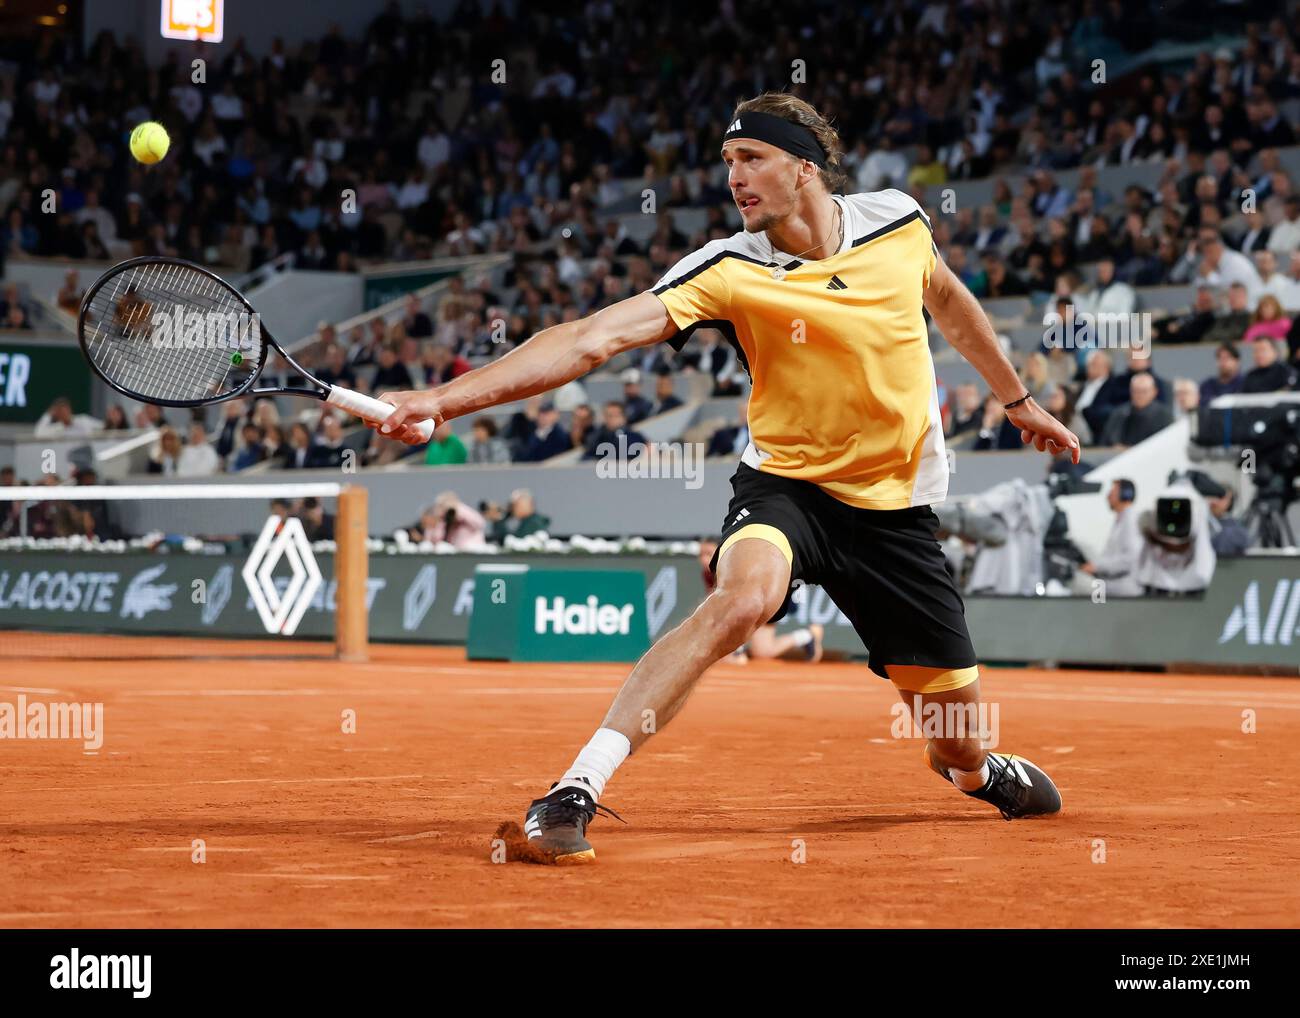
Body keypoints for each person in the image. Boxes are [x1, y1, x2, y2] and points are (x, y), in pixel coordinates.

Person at [371, 93, 1077, 862]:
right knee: (742, 600)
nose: (734, 178)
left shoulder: (900, 223)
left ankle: (976, 778)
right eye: (727, 163)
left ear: (804, 167)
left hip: (895, 511)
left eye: (752, 160)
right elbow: (589, 339)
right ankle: (574, 789)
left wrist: (1019, 399)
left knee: (959, 743)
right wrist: (442, 399)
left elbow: (947, 299)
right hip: (788, 488)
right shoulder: (729, 267)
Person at [1078, 479, 1142, 596]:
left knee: (1077, 585)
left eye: (1112, 493)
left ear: (1125, 494)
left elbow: (1130, 558)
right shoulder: (1122, 519)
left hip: (1123, 587)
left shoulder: (1130, 520)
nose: (1108, 497)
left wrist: (1097, 567)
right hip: (1114, 583)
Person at [1101, 373, 1174, 448]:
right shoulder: (1120, 413)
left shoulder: (1164, 415)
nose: (1139, 395)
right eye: (1135, 391)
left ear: (1154, 392)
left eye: (1144, 391)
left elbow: (1166, 444)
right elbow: (1106, 441)